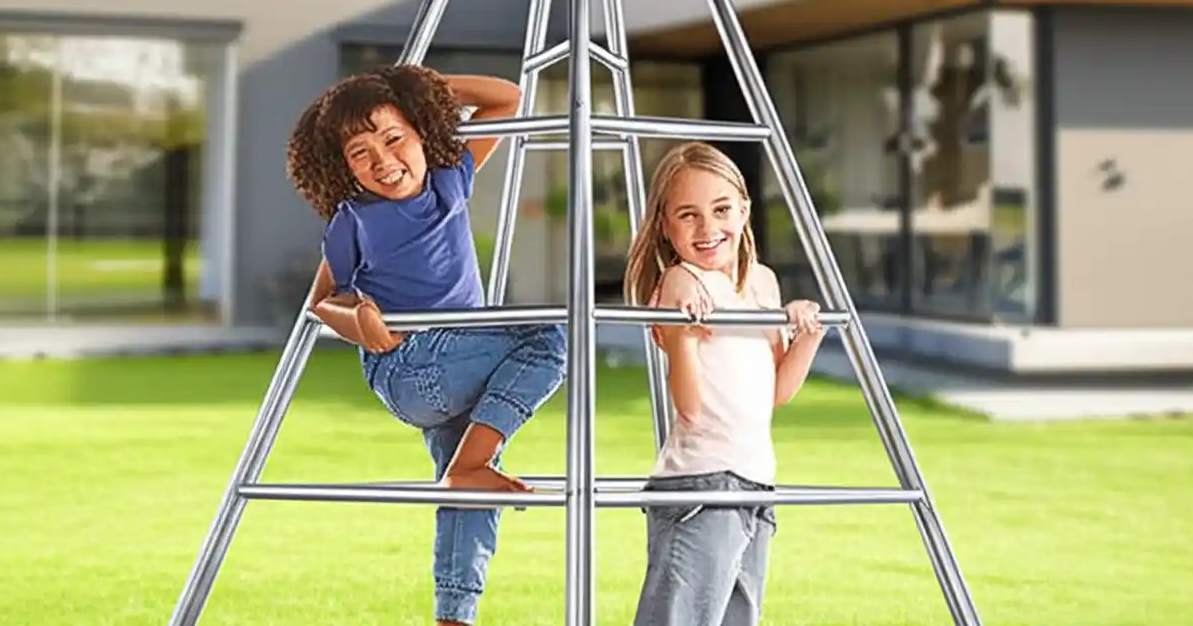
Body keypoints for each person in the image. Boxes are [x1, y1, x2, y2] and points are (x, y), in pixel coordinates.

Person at [285, 64, 567, 626]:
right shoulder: (354, 221)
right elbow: (322, 300)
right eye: (360, 154)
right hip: (410, 364)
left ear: (420, 131)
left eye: (394, 138)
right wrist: (359, 319)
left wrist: (413, 86)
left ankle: (453, 614)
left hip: (457, 366)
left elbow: (506, 101)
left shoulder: (448, 179)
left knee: (469, 489)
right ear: (342, 168)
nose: (384, 161)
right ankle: (475, 463)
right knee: (548, 337)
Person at [623, 141, 826, 626]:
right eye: (688, 215)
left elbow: (776, 392)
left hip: (755, 480)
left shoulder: (762, 283)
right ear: (666, 228)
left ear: (744, 209)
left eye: (720, 210)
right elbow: (690, 406)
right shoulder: (680, 281)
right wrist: (686, 339)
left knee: (739, 616)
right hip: (702, 481)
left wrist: (806, 334)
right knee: (680, 618)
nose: (708, 228)